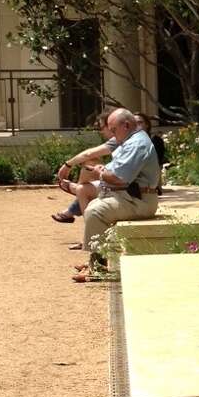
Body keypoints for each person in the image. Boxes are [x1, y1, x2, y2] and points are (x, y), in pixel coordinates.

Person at [72, 108, 161, 281]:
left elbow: (118, 178)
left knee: (95, 211)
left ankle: (97, 268)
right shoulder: (129, 140)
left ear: (126, 125)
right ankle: (95, 261)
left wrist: (100, 171)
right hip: (130, 197)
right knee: (94, 206)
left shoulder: (137, 144)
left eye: (113, 130)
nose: (111, 134)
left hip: (139, 201)